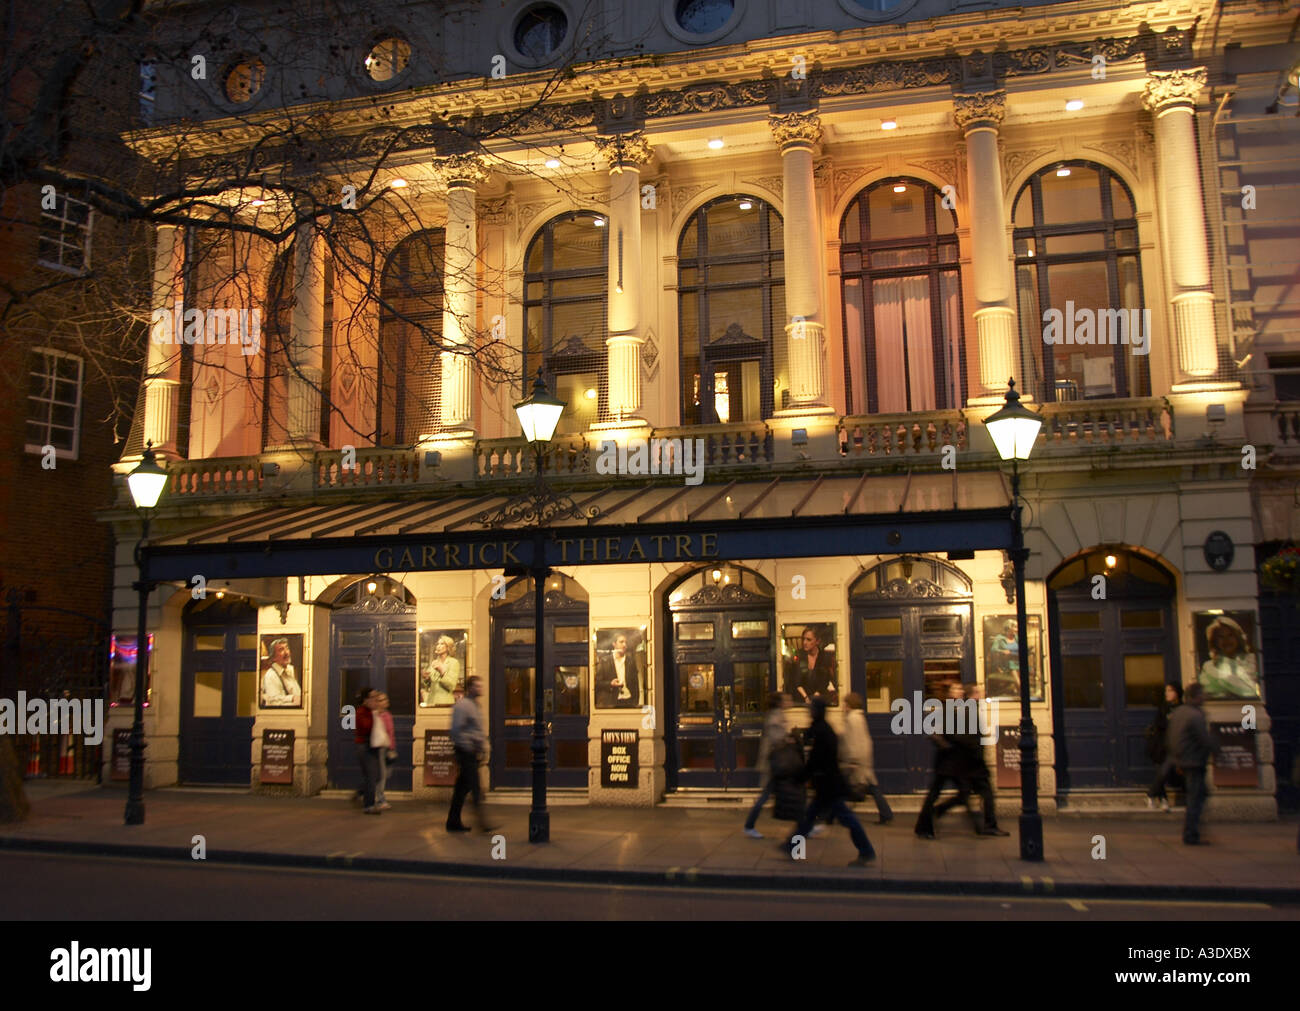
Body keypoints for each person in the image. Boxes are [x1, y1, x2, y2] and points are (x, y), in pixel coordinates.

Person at [784, 697, 876, 866]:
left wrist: (800, 778)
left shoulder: (822, 731)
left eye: (812, 709)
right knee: (810, 817)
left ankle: (866, 850)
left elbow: (815, 761)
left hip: (829, 785)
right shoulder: (823, 729)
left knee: (843, 818)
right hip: (827, 784)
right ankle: (791, 845)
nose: (809, 711)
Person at [929, 683, 1009, 836]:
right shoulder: (964, 710)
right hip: (970, 762)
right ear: (971, 694)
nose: (981, 694)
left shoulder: (967, 709)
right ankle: (989, 825)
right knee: (981, 793)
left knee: (965, 794)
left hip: (966, 761)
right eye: (977, 692)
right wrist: (975, 754)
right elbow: (963, 737)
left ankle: (939, 810)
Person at [1167, 682, 1220, 845]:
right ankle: (1191, 834)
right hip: (1194, 761)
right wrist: (1217, 750)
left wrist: (1177, 759)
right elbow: (1204, 739)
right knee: (1196, 798)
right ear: (1196, 697)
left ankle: (1194, 830)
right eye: (1202, 695)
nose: (1204, 697)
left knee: (1197, 796)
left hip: (1183, 760)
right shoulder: (1195, 715)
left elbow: (1171, 738)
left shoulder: (1179, 712)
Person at [447, 675, 495, 832]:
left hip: (473, 752)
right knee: (475, 786)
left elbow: (477, 730)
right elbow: (456, 730)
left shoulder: (475, 705)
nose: (480, 688)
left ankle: (452, 821)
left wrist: (483, 747)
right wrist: (467, 746)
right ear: (470, 688)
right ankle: (482, 822)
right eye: (477, 686)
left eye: (481, 686)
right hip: (465, 751)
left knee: (462, 787)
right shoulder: (463, 706)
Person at [743, 692, 793, 838]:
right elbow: (777, 738)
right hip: (774, 764)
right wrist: (789, 739)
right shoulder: (775, 717)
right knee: (768, 796)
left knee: (778, 796)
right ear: (780, 703)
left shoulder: (777, 715)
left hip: (777, 764)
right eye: (786, 699)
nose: (789, 701)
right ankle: (749, 825)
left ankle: (749, 825)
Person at [840, 692, 893, 825]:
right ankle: (886, 813)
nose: (843, 706)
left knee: (842, 787)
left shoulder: (852, 719)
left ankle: (832, 815)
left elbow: (853, 741)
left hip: (857, 760)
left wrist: (852, 760)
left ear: (849, 705)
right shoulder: (859, 717)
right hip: (864, 758)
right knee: (873, 787)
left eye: (844, 703)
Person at [1197, 616, 1260, 699]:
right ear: (1214, 641)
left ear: (1237, 637)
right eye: (1221, 637)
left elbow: (1251, 691)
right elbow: (1206, 694)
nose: (1226, 640)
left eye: (1230, 635)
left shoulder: (1252, 660)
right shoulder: (1209, 667)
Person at [1145, 682, 1184, 811]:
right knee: (1163, 771)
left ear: (1177, 693)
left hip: (1176, 745)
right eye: (1166, 690)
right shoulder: (1163, 708)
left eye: (1170, 690)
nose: (1167, 693)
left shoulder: (1182, 708)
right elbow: (1160, 725)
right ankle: (1161, 799)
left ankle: (1154, 796)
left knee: (1164, 772)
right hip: (1162, 746)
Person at [784, 626, 838, 706]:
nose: (804, 642)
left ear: (817, 641)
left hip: (820, 701)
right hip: (800, 701)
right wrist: (806, 697)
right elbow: (796, 681)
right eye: (803, 639)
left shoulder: (824, 657)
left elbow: (825, 680)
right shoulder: (799, 656)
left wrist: (817, 695)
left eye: (808, 640)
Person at [352, 687, 381, 813]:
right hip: (365, 745)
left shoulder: (372, 711)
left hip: (373, 745)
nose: (376, 700)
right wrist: (374, 713)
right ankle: (369, 805)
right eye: (373, 697)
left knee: (376, 775)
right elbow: (366, 727)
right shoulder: (361, 712)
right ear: (365, 700)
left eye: (376, 697)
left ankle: (360, 792)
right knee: (371, 776)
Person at [595, 633, 641, 709]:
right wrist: (610, 684)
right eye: (621, 642)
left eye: (625, 642)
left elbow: (635, 684)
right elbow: (597, 683)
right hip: (611, 702)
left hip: (629, 701)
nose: (624, 645)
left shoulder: (630, 661)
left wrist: (635, 702)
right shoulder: (605, 661)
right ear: (614, 644)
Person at [369, 691, 396, 812]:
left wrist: (392, 748)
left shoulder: (387, 715)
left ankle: (366, 793)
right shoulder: (375, 715)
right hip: (379, 748)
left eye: (386, 699)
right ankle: (380, 799)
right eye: (381, 700)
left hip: (387, 748)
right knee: (382, 775)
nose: (385, 702)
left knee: (385, 773)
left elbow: (391, 733)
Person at [422, 635, 462, 706]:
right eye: (438, 644)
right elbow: (429, 685)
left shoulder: (454, 662)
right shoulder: (434, 662)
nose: (438, 646)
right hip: (431, 702)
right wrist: (426, 678)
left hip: (445, 703)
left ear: (448, 647)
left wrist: (441, 671)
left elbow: (451, 686)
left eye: (442, 644)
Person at [261, 638, 302, 707]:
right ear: (273, 657)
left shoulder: (289, 671)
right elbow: (274, 703)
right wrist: (293, 698)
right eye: (281, 650)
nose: (286, 652)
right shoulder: (271, 676)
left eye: (287, 648)